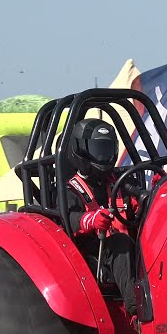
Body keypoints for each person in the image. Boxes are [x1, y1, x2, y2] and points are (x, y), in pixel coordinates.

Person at [61, 118, 139, 319]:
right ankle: (138, 310)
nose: (103, 157)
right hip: (93, 254)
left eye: (106, 149)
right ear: (81, 151)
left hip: (122, 247)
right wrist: (92, 220)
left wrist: (154, 195)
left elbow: (134, 210)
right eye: (98, 150)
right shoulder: (70, 189)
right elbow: (67, 219)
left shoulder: (120, 182)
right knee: (121, 243)